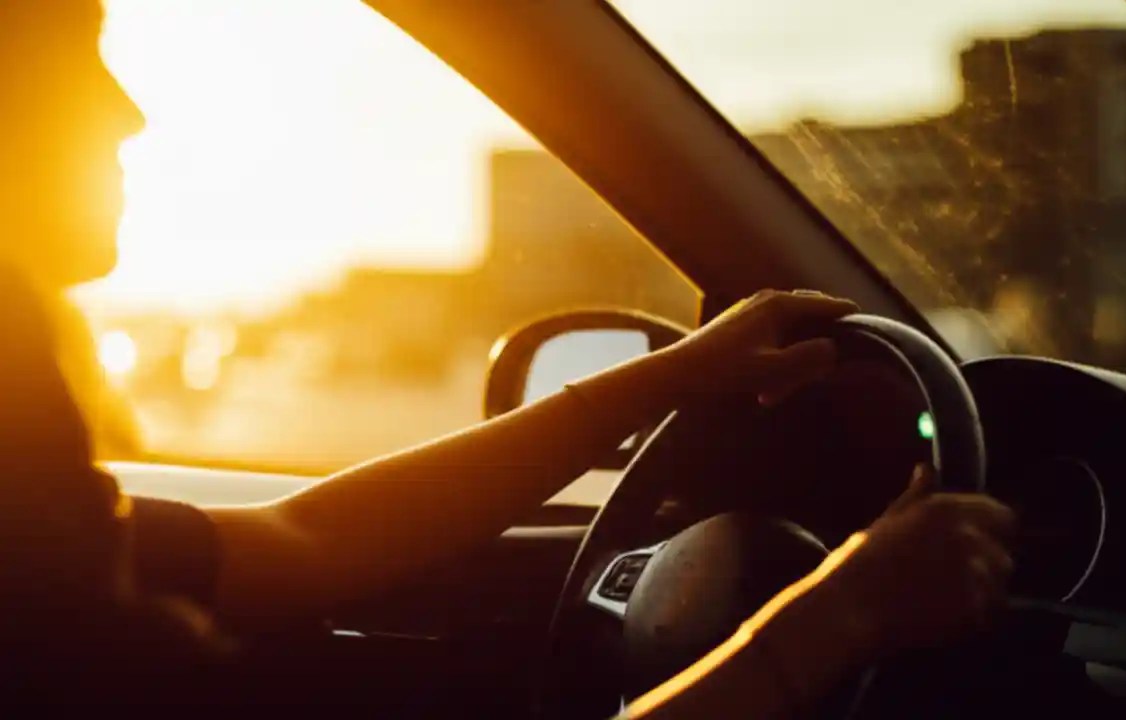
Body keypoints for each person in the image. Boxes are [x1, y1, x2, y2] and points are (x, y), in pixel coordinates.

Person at [0, 0, 1016, 713]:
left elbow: (300, 540)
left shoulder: (42, 518)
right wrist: (838, 619)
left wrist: (668, 377)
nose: (128, 113)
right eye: (83, 53)